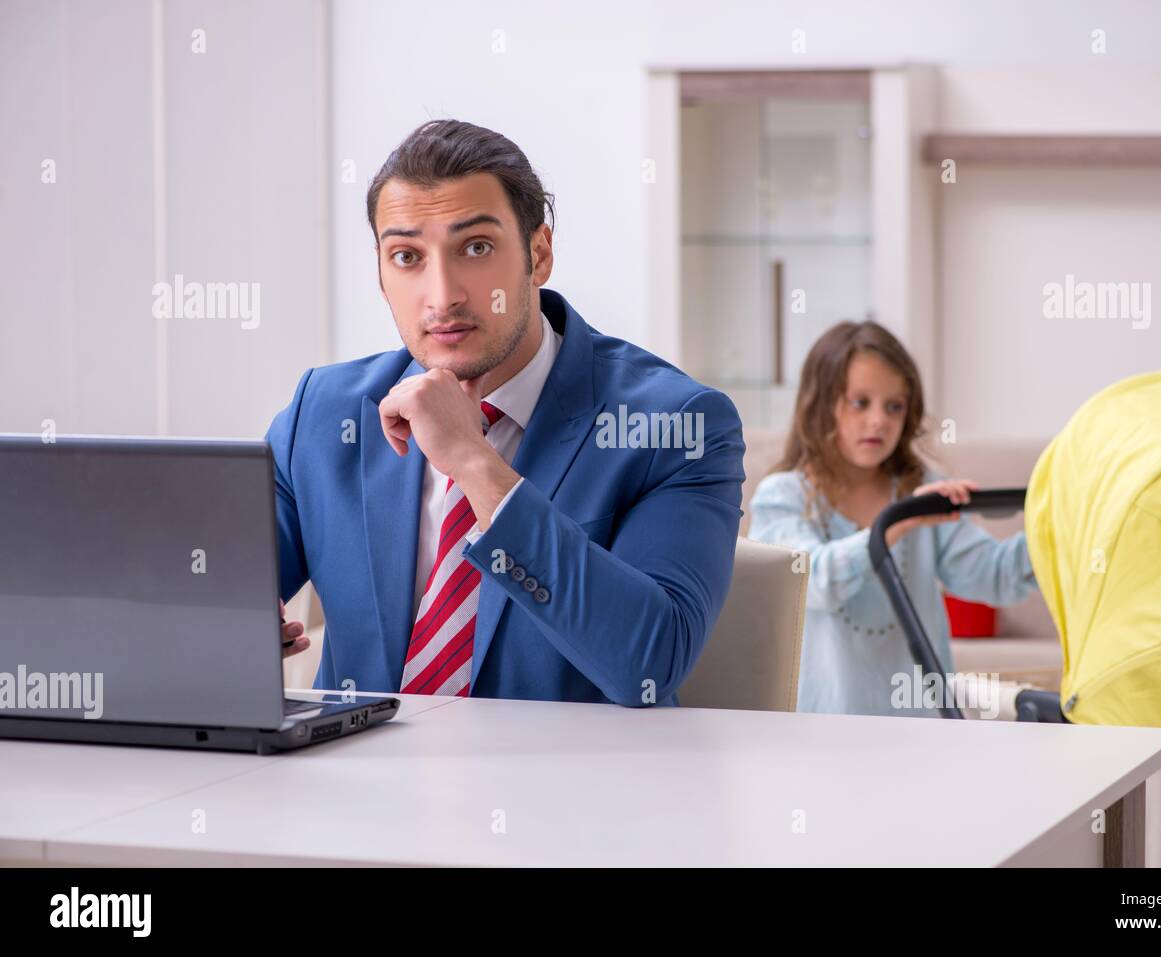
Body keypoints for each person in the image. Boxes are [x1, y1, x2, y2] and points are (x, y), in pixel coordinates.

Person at [268, 119, 745, 706]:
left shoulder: (675, 426)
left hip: (573, 792)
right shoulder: (323, 413)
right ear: (381, 273)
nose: (442, 296)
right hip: (363, 786)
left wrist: (474, 462)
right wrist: (222, 625)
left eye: (475, 248)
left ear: (538, 255)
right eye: (407, 256)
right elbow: (209, 588)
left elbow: (649, 662)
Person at [747, 320, 1036, 716]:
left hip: (920, 728)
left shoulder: (921, 487)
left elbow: (994, 575)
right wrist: (899, 521)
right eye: (859, 402)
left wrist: (1059, 529)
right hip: (823, 735)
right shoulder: (783, 497)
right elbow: (814, 583)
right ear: (820, 406)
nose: (879, 421)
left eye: (894, 406)